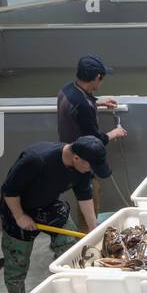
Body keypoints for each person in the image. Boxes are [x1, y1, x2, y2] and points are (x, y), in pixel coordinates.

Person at [0, 136, 110, 293]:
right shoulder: (36, 159)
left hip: (48, 204)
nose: (91, 170)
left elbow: (84, 196)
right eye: (90, 166)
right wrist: (20, 216)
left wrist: (93, 228)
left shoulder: (82, 169)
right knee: (16, 265)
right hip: (16, 208)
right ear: (76, 158)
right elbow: (9, 191)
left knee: (72, 248)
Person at [58, 55, 126, 229]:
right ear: (97, 77)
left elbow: (81, 103)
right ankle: (88, 235)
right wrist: (114, 133)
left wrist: (97, 102)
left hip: (68, 153)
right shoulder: (83, 106)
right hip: (82, 161)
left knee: (85, 200)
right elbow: (95, 141)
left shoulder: (67, 90)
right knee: (90, 202)